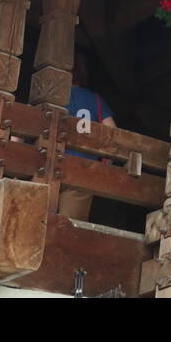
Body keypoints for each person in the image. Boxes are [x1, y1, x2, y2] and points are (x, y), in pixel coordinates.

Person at [59, 53, 116, 221]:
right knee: (68, 228)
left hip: (50, 164)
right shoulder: (96, 100)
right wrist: (105, 162)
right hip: (82, 172)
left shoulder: (52, 96)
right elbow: (112, 132)